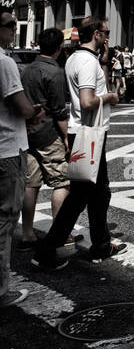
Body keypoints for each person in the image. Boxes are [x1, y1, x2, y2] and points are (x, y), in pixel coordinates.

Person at [32, 16, 125, 270]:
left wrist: (104, 61)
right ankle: (46, 251)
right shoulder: (85, 61)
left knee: (98, 193)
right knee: (81, 196)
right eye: (105, 32)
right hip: (88, 134)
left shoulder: (76, 58)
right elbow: (86, 101)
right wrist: (110, 97)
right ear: (96, 34)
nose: (108, 36)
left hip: (85, 132)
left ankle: (101, 245)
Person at [0, 12, 45, 305]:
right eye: (10, 26)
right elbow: (21, 107)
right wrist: (35, 111)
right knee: (4, 222)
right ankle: (1, 290)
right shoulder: (5, 62)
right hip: (7, 150)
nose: (14, 31)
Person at [18, 27, 76, 249]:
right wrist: (66, 136)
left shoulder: (27, 70)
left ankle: (27, 233)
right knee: (62, 181)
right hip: (49, 134)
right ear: (60, 47)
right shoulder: (54, 72)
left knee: (30, 184)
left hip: (28, 133)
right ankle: (59, 233)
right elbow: (59, 111)